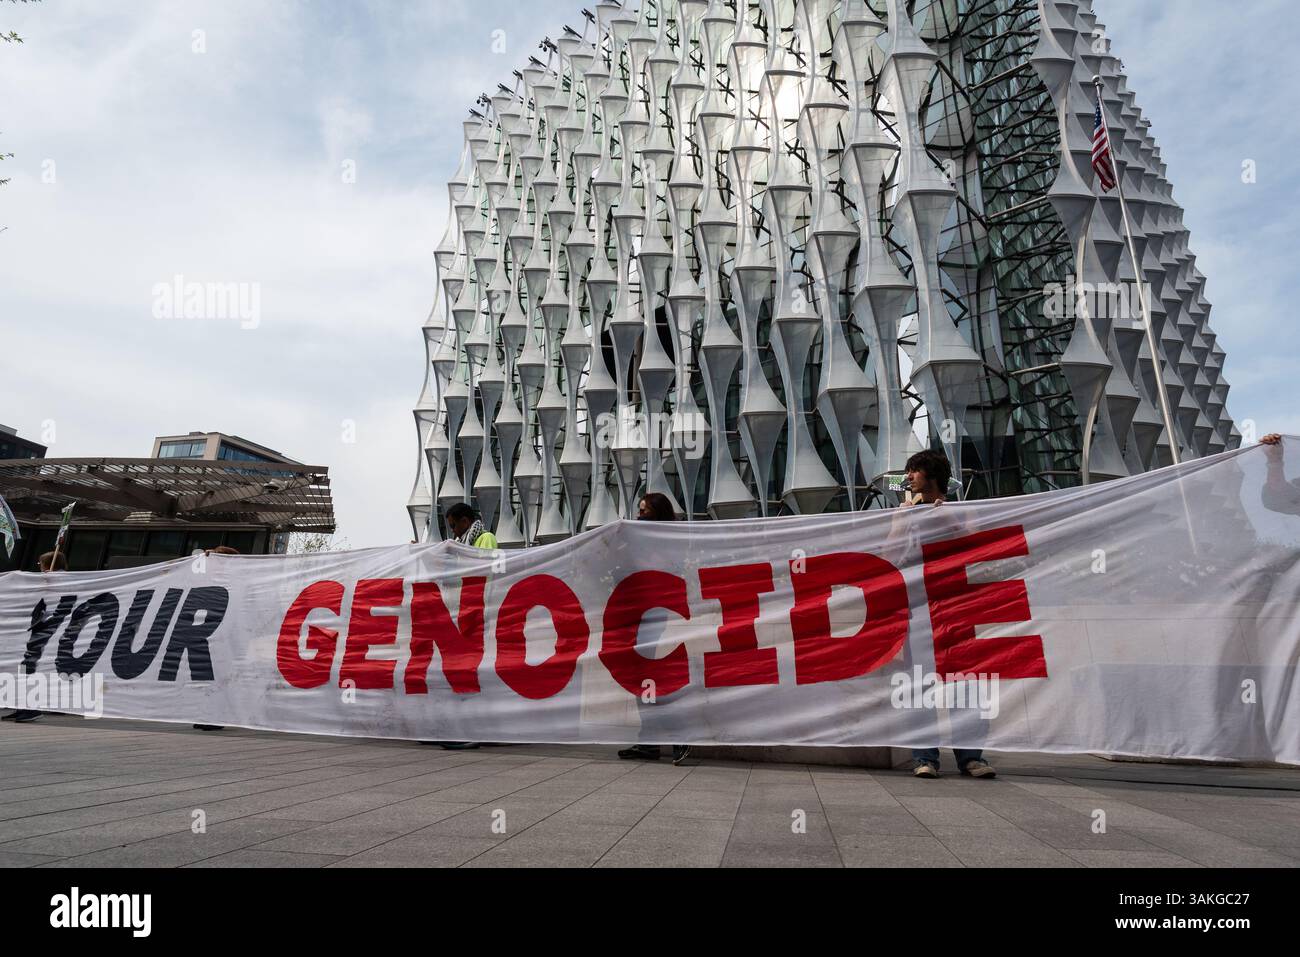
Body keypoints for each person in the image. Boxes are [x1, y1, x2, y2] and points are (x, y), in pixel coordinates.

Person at [898, 449, 996, 780]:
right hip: (919, 610)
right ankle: (924, 757)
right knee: (918, 685)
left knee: (966, 684)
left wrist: (944, 518)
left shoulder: (960, 510)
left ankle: (971, 757)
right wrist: (903, 519)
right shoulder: (903, 513)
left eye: (914, 471)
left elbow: (972, 545)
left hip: (956, 608)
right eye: (908, 471)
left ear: (933, 475)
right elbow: (889, 556)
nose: (909, 476)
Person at [617, 492, 691, 766]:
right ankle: (648, 740)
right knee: (642, 681)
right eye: (639, 510)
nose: (639, 515)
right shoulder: (644, 543)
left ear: (657, 514)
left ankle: (681, 735)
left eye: (644, 511)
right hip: (637, 620)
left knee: (651, 678)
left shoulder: (664, 546)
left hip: (654, 620)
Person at [426, 503, 496, 750]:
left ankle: (472, 732)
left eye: (454, 525)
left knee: (470, 673)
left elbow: (481, 570)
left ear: (466, 521)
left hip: (477, 615)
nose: (453, 533)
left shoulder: (485, 538)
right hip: (465, 616)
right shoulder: (461, 544)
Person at [3, 551, 67, 724]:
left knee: (29, 668)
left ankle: (30, 708)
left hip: (47, 632)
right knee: (24, 668)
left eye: (40, 564)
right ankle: (21, 706)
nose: (39, 568)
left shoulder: (62, 580)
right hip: (37, 631)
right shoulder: (46, 580)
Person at [193, 546, 241, 732]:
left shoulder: (238, 579)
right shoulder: (213, 577)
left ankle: (216, 716)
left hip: (229, 636)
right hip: (212, 632)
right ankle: (206, 714)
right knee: (207, 675)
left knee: (221, 675)